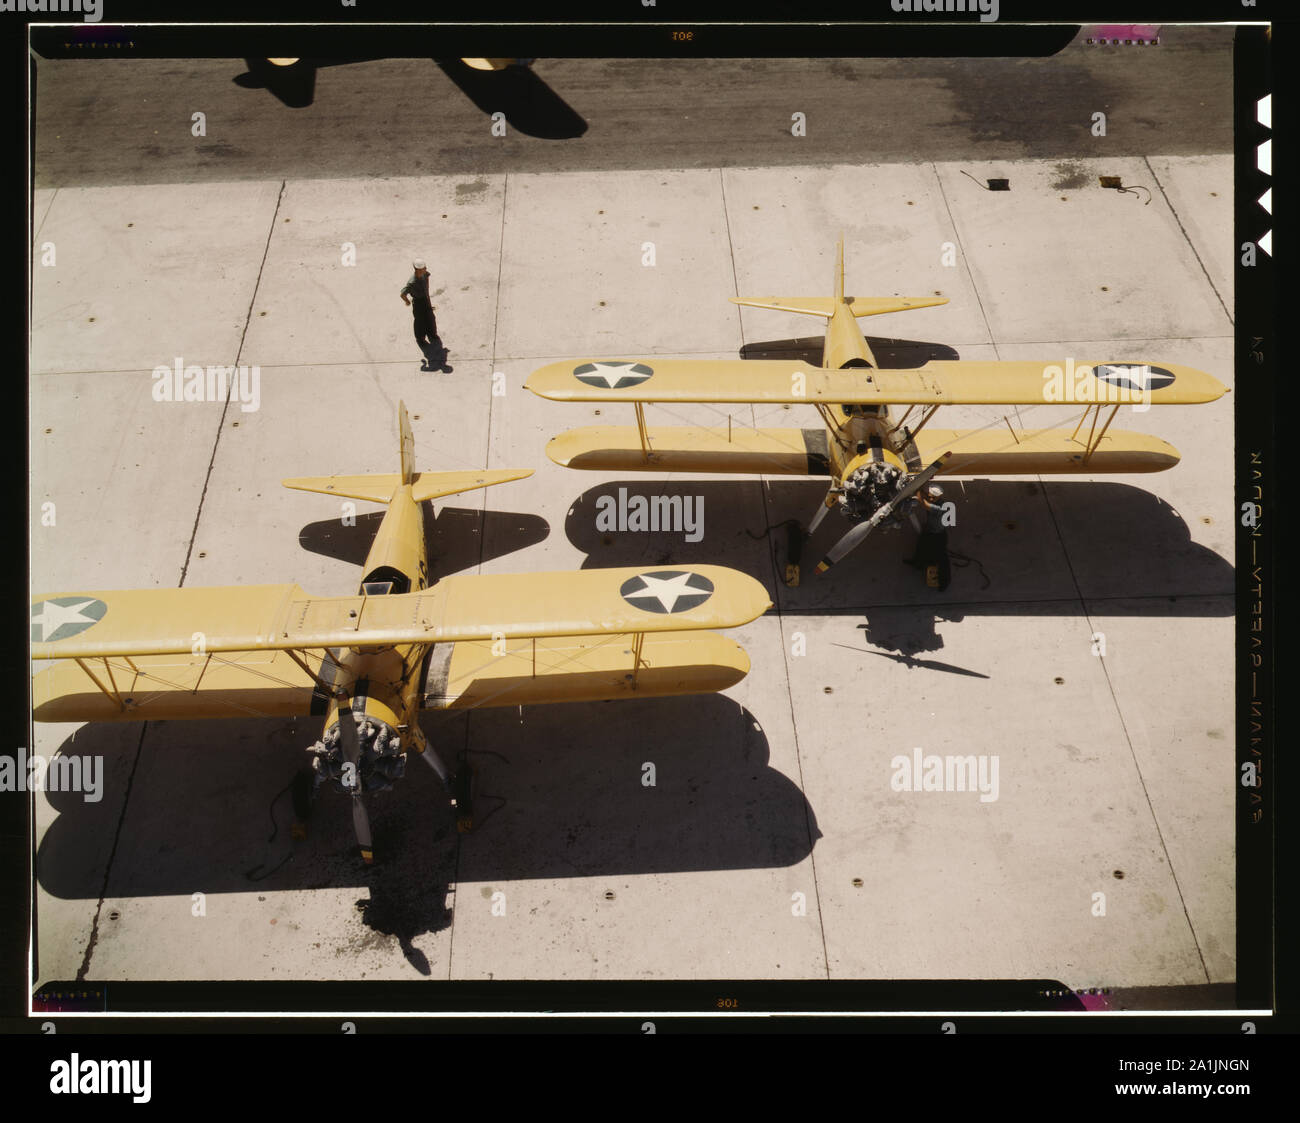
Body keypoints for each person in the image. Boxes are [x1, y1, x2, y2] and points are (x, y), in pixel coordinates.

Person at [904, 484, 951, 590]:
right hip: (929, 531)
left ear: (940, 496)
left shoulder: (940, 507)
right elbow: (925, 496)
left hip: (938, 535)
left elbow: (924, 503)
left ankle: (944, 583)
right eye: (929, 496)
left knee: (942, 560)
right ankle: (917, 564)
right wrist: (918, 487)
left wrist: (916, 491)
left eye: (933, 497)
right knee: (920, 546)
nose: (930, 499)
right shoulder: (933, 499)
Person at [400, 259, 441, 362]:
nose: (426, 269)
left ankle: (432, 334)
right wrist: (408, 302)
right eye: (423, 268)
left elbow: (426, 284)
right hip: (418, 303)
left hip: (426, 300)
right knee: (420, 322)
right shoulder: (412, 282)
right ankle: (420, 339)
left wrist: (428, 301)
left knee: (431, 318)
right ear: (417, 270)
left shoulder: (425, 274)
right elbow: (402, 294)